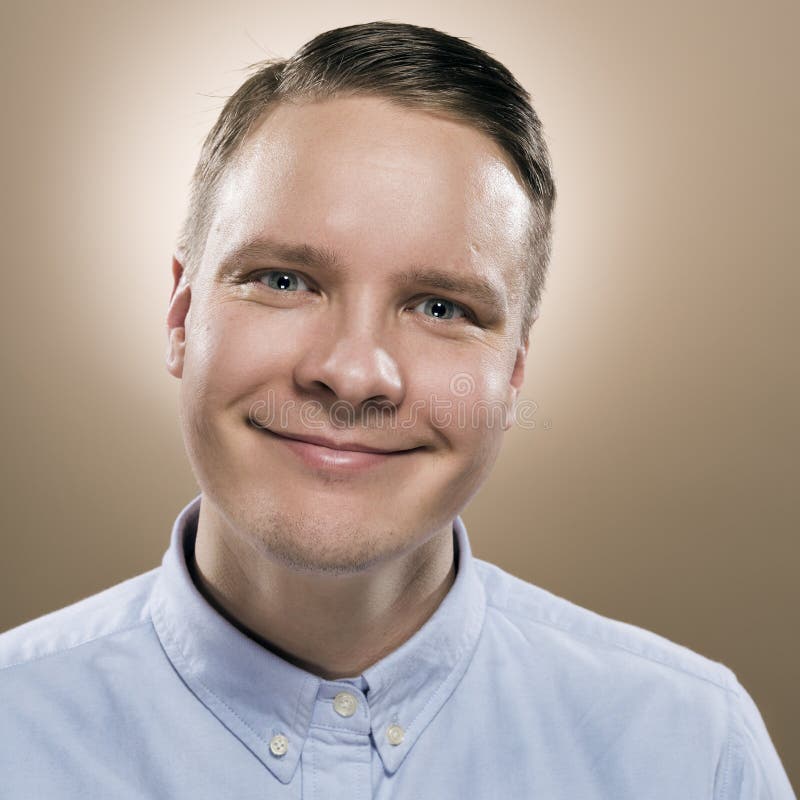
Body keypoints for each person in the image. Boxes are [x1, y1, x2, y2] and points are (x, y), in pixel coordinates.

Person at [0, 20, 794, 799]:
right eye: (283, 280)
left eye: (441, 308)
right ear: (180, 317)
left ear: (514, 371)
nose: (351, 375)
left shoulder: (692, 750)